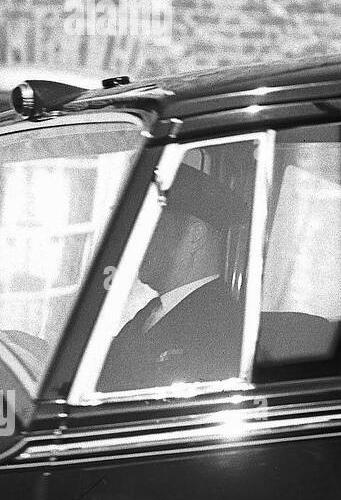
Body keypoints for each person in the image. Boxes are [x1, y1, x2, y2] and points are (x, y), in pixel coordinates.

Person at [99, 164, 244, 392]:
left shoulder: (221, 326)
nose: (137, 241)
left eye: (150, 227)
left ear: (195, 235)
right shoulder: (152, 312)